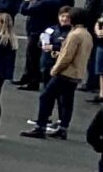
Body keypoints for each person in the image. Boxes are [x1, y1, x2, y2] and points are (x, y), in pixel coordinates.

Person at [28, 8, 95, 138]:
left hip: (66, 72)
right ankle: (63, 128)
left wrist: (56, 69)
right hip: (77, 73)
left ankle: (40, 127)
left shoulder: (74, 35)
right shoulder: (87, 34)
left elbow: (66, 56)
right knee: (67, 100)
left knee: (46, 96)